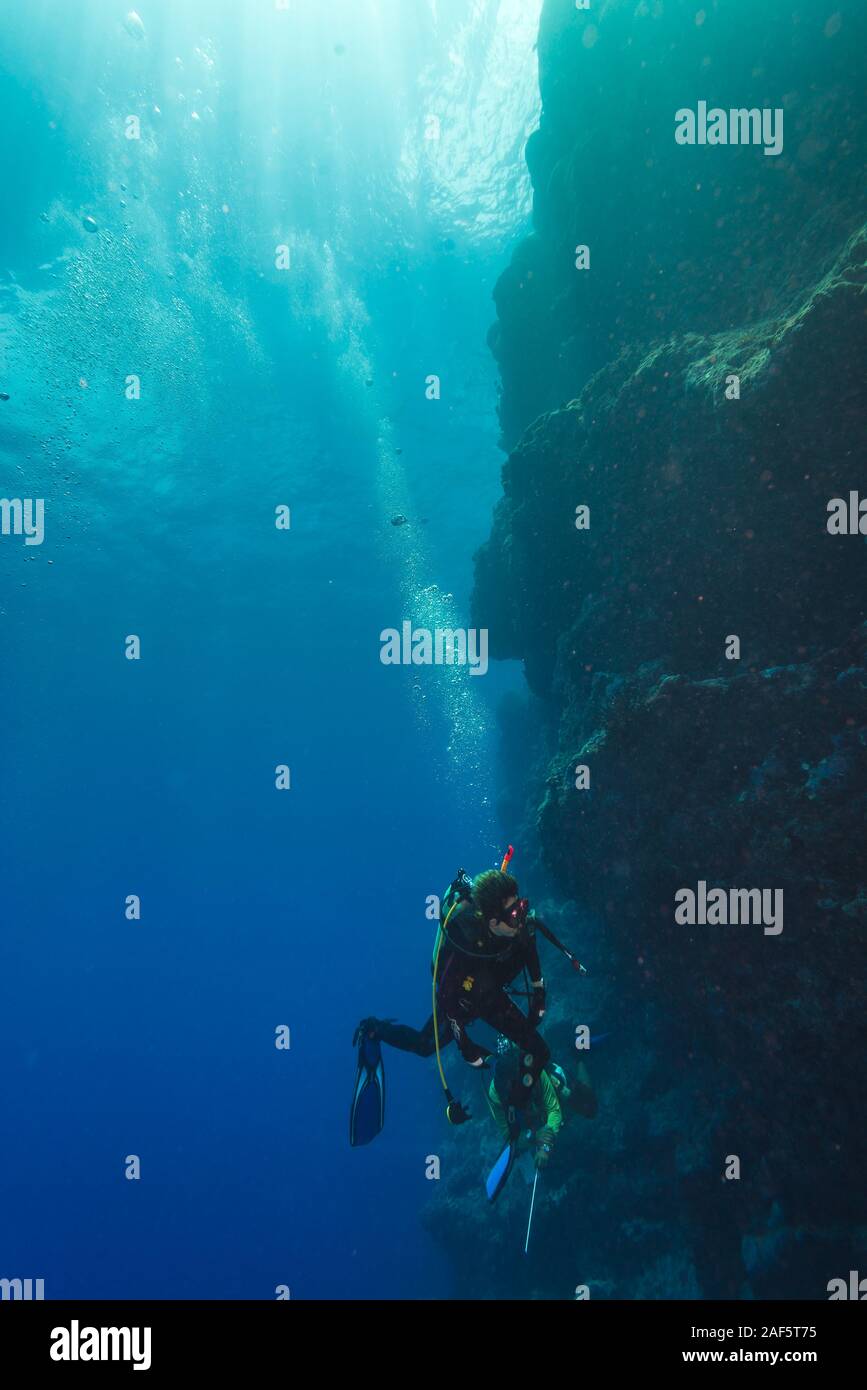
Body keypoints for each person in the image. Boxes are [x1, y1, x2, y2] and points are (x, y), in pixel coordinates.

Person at [355, 868, 551, 1113]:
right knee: (425, 1045)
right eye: (513, 914)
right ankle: (375, 1029)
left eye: (521, 906)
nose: (521, 917)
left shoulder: (517, 927)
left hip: (492, 989)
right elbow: (445, 998)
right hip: (463, 1001)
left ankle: (515, 1107)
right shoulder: (465, 943)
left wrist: (539, 993)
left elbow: (529, 948)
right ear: (492, 922)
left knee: (540, 1051)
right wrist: (465, 1046)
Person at [487, 1043, 598, 1170]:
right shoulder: (496, 1095)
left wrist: (545, 1147)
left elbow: (553, 1109)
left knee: (589, 1107)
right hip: (530, 1114)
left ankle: (578, 1055)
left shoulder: (534, 1071)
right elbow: (509, 1135)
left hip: (545, 1094)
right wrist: (533, 1136)